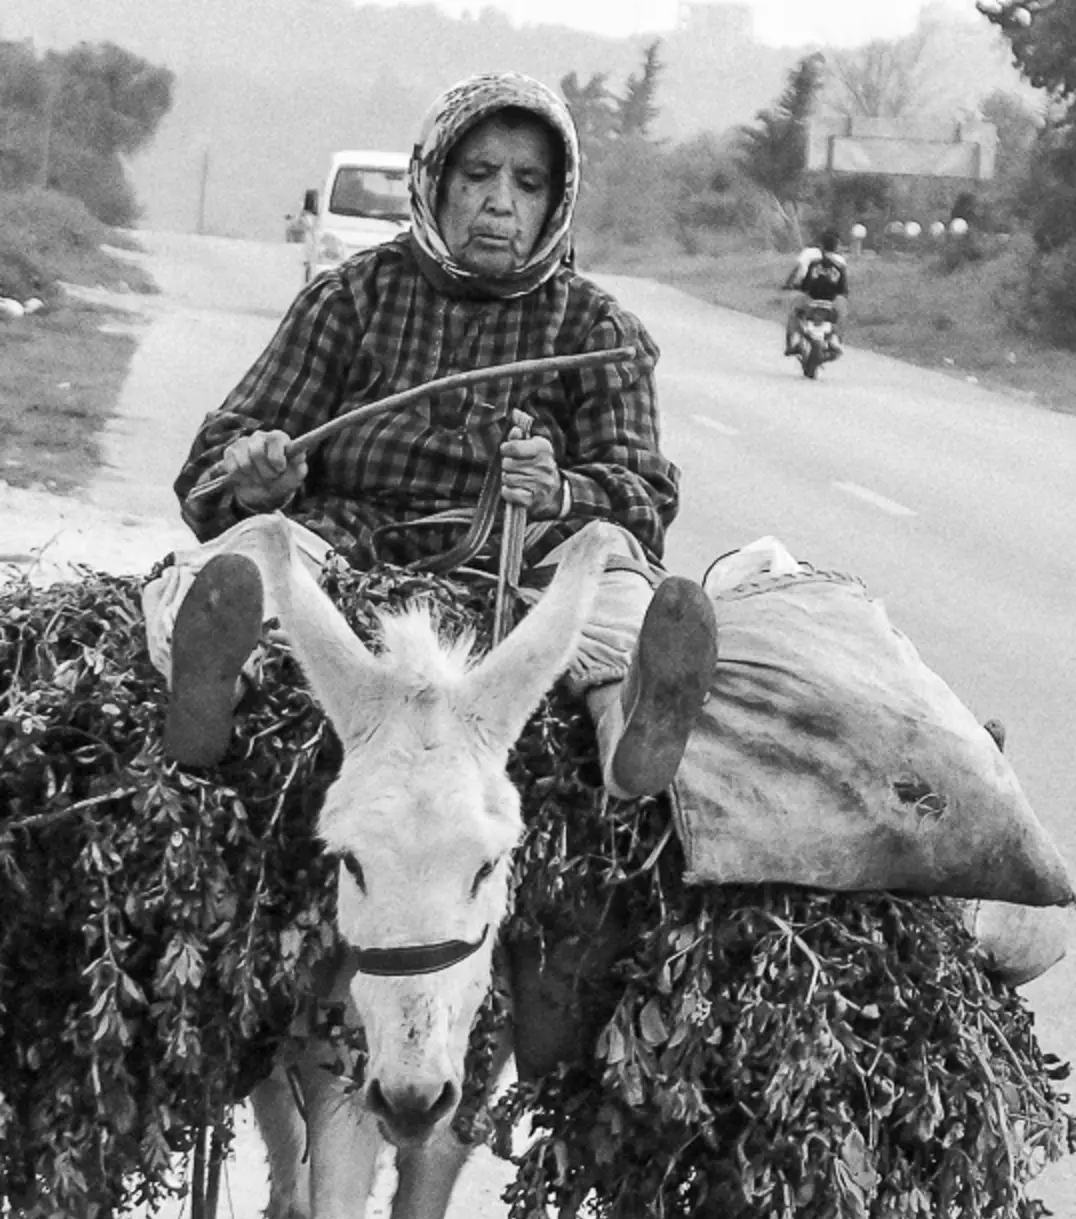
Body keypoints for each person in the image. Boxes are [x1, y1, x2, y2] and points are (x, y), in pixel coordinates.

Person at [153, 71, 718, 799]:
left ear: (556, 202)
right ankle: (217, 694)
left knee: (613, 579)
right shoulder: (350, 297)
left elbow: (643, 500)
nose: (500, 202)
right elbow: (215, 459)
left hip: (528, 566)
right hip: (350, 543)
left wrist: (560, 490)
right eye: (478, 174)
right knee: (244, 563)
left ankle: (630, 729)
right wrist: (255, 471)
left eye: (528, 183)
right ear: (434, 178)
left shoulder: (599, 331)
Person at [782, 228, 848, 357]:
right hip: (831, 301)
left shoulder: (814, 261)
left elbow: (806, 283)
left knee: (795, 313)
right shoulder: (840, 264)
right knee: (841, 317)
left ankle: (792, 342)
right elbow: (843, 288)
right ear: (836, 246)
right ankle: (836, 342)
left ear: (821, 245)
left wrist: (795, 286)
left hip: (811, 298)